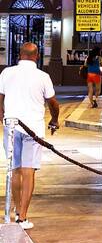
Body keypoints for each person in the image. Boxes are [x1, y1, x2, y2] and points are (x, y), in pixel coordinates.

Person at [0, 42, 61, 229]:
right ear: (37, 56)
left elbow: (0, 98)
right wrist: (54, 120)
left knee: (14, 169)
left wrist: (2, 117)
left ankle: (17, 211)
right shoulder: (43, 76)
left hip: (11, 126)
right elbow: (53, 103)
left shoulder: (6, 73)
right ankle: (23, 217)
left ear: (20, 54)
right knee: (28, 171)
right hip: (33, 130)